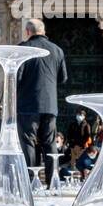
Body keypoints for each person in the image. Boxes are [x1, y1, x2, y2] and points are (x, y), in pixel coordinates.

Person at [16, 19, 68, 167]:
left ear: (27, 32)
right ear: (43, 31)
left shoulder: (23, 48)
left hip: (27, 106)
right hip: (50, 106)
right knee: (49, 143)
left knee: (28, 141)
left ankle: (31, 180)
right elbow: (63, 78)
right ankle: (52, 181)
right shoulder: (57, 50)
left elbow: (17, 77)